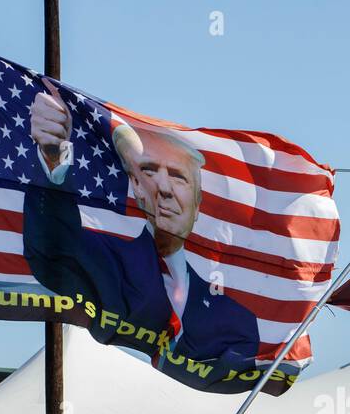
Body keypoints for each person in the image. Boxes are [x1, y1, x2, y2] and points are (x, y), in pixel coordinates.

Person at [24, 83, 262, 392]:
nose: (163, 188)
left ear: (198, 202)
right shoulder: (102, 260)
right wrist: (53, 159)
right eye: (150, 172)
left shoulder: (236, 315)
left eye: (178, 176)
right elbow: (50, 248)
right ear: (136, 188)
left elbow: (243, 379)